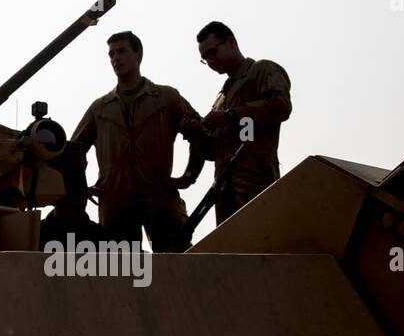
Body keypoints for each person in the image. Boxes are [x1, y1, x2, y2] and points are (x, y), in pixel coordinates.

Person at [59, 31, 206, 252]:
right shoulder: (100, 108)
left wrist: (188, 177)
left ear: (139, 54)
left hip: (160, 200)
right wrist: (80, 189)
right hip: (116, 204)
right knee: (120, 274)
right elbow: (73, 151)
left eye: (122, 51)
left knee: (178, 264)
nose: (115, 58)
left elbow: (200, 134)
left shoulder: (166, 98)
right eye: (111, 54)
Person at [196, 21, 291, 223]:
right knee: (231, 249)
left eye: (213, 52)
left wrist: (230, 116)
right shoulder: (221, 98)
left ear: (231, 43)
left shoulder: (262, 70)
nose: (211, 61)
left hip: (256, 178)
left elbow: (280, 106)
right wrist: (195, 133)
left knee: (260, 240)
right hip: (223, 187)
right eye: (205, 58)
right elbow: (213, 151)